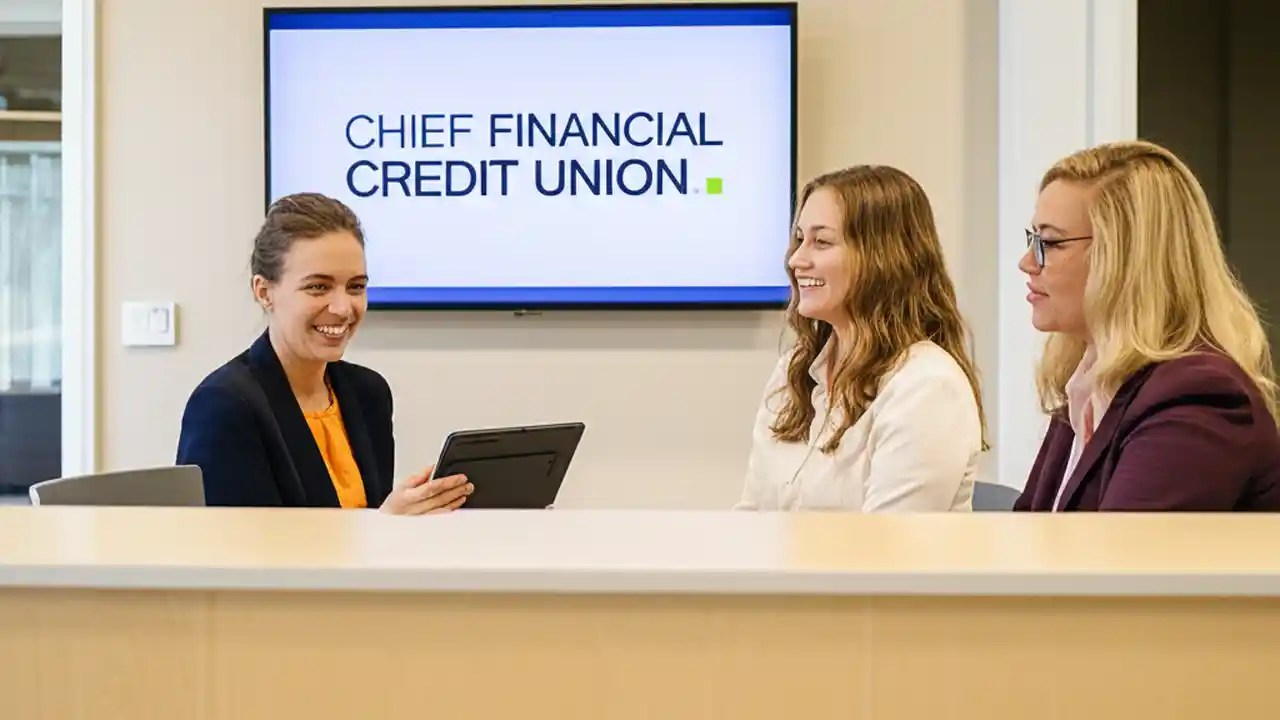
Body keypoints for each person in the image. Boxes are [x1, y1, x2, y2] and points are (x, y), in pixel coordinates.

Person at [1014, 140, 1280, 511]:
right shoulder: (1085, 382)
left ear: (1127, 258)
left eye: (1050, 242)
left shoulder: (1199, 397)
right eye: (1033, 240)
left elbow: (1120, 564)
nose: (1027, 262)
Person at [177, 193, 473, 512]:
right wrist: (385, 525)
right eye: (318, 287)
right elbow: (237, 553)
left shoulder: (368, 392)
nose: (343, 308)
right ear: (264, 292)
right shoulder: (225, 405)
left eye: (356, 287)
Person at [736, 165, 986, 512]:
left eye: (821, 242)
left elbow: (886, 556)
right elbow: (751, 517)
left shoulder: (927, 385)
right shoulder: (793, 372)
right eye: (799, 239)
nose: (796, 260)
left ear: (883, 258)